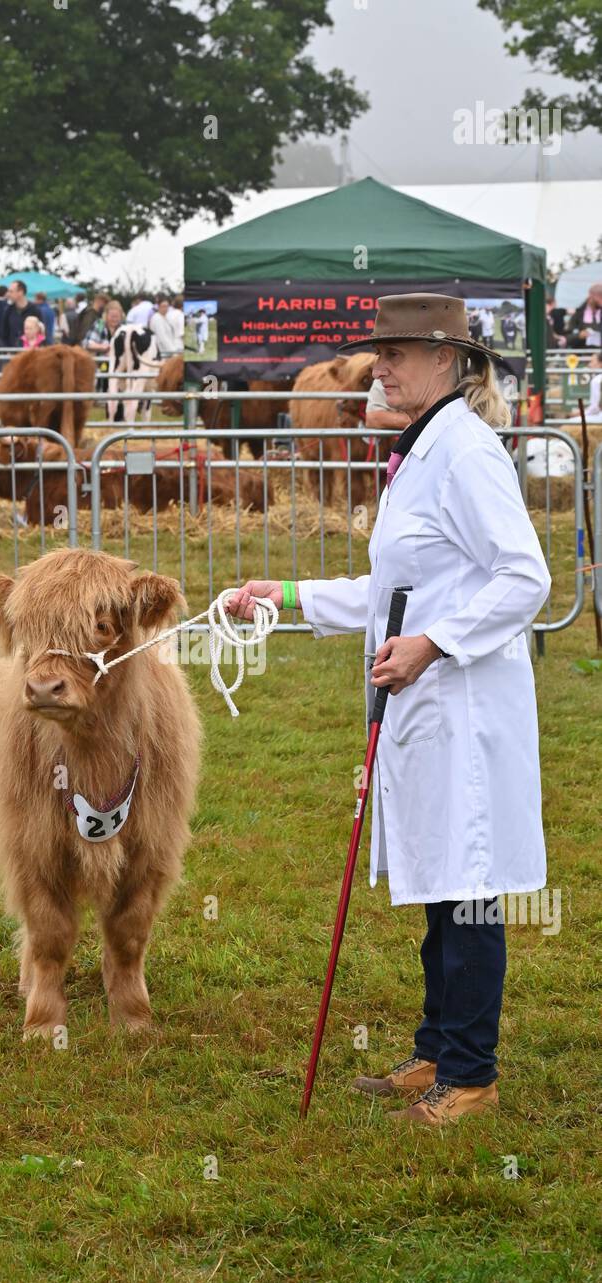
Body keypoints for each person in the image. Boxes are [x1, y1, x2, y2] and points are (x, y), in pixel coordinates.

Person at [226, 293, 552, 1129]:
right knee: (444, 880)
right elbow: (394, 591)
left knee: (470, 884)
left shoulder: (466, 453)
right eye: (380, 351)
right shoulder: (424, 451)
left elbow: (525, 578)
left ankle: (470, 1074)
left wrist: (434, 644)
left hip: (466, 707)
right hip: (429, 703)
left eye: (398, 353)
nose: (380, 366)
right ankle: (437, 1049)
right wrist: (285, 592)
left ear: (448, 361)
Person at [2, 280, 40, 347]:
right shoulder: (8, 310)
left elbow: (41, 332)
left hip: (31, 352)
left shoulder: (35, 310)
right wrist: (8, 349)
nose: (8, 294)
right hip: (13, 353)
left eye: (11, 291)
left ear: (20, 292)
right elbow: (4, 333)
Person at [566, 283, 602, 350]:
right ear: (592, 297)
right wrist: (579, 336)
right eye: (600, 297)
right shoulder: (578, 315)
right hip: (582, 356)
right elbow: (568, 339)